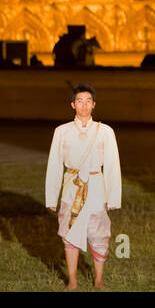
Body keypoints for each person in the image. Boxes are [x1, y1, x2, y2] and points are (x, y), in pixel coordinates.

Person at [45, 83, 122, 289]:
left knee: (99, 232)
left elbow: (113, 165)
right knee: (70, 231)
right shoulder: (62, 132)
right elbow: (54, 165)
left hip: (96, 186)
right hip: (72, 185)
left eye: (88, 101)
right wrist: (52, 198)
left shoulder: (105, 131)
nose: (84, 105)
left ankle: (98, 280)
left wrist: (113, 198)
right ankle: (72, 280)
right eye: (80, 101)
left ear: (94, 104)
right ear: (73, 104)